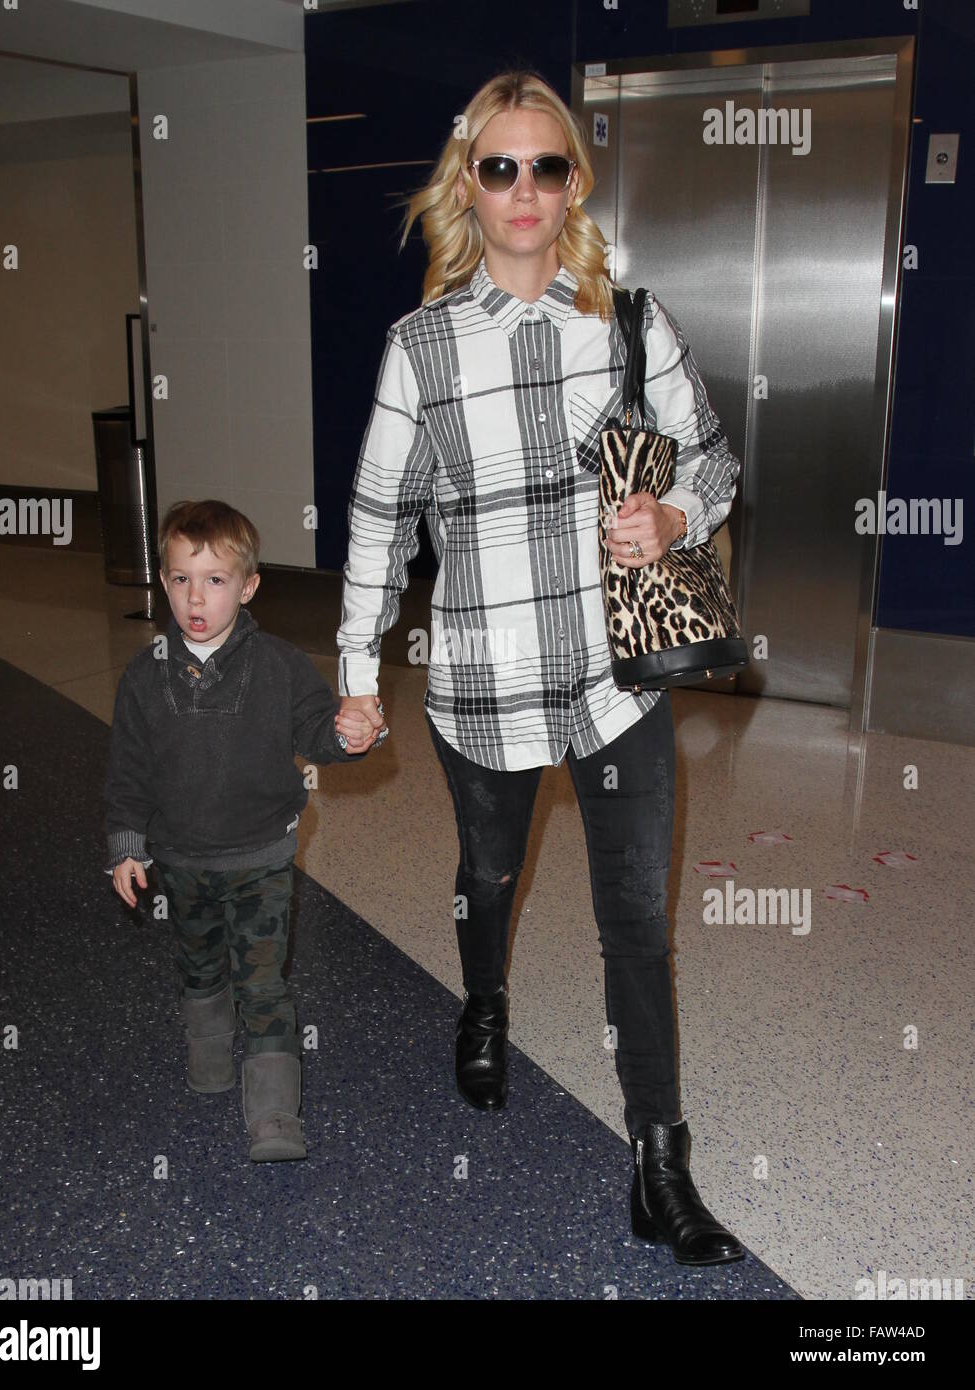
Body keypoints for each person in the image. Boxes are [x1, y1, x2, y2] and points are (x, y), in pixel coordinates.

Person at [336, 69, 745, 1265]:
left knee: (637, 926)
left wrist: (674, 516)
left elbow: (713, 464)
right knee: (488, 870)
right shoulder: (420, 349)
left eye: (549, 166)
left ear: (575, 188)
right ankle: (485, 998)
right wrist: (358, 666)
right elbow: (377, 522)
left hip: (619, 679)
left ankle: (659, 1160)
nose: (525, 190)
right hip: (483, 678)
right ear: (470, 181)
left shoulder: (630, 325)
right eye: (501, 166)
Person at [103, 499, 383, 1162]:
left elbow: (319, 730)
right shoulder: (144, 677)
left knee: (263, 980)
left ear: (249, 586)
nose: (195, 597)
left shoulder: (280, 666)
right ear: (164, 581)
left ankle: (275, 1113)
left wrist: (349, 735)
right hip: (181, 860)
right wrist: (125, 845)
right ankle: (207, 1057)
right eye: (179, 579)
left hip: (262, 855)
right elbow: (127, 773)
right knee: (199, 964)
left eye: (215, 580)